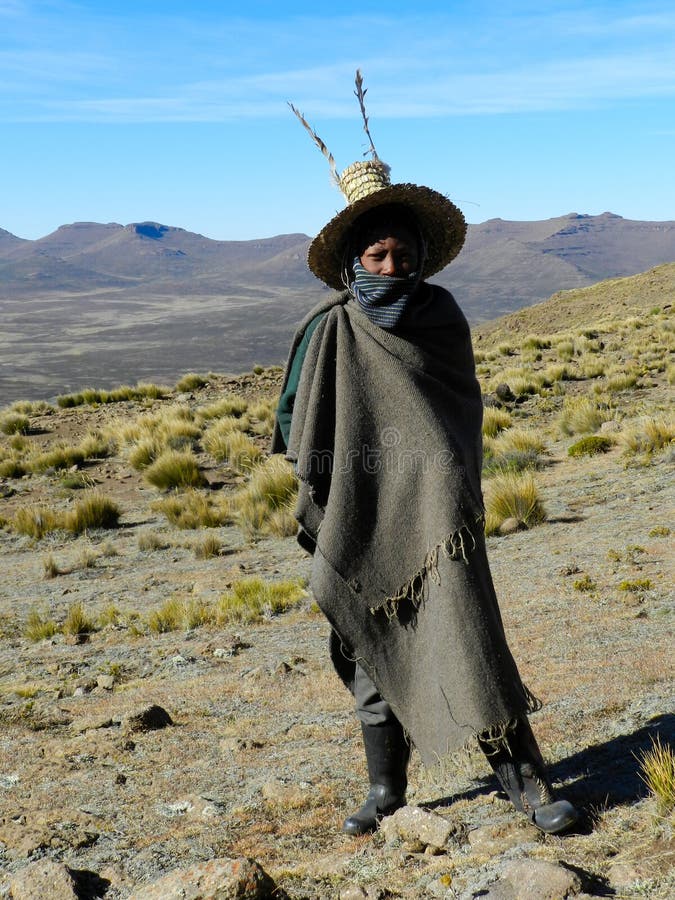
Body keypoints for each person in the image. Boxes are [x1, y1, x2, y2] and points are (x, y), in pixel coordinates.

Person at [272, 73, 579, 838]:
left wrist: (442, 480)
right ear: (353, 260)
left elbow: (453, 415)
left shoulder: (440, 317)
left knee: (466, 636)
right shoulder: (329, 329)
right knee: (368, 642)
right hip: (359, 507)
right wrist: (330, 490)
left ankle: (525, 783)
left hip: (439, 516)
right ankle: (386, 789)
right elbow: (294, 422)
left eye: (400, 253)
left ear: (418, 257)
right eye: (375, 254)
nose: (390, 266)